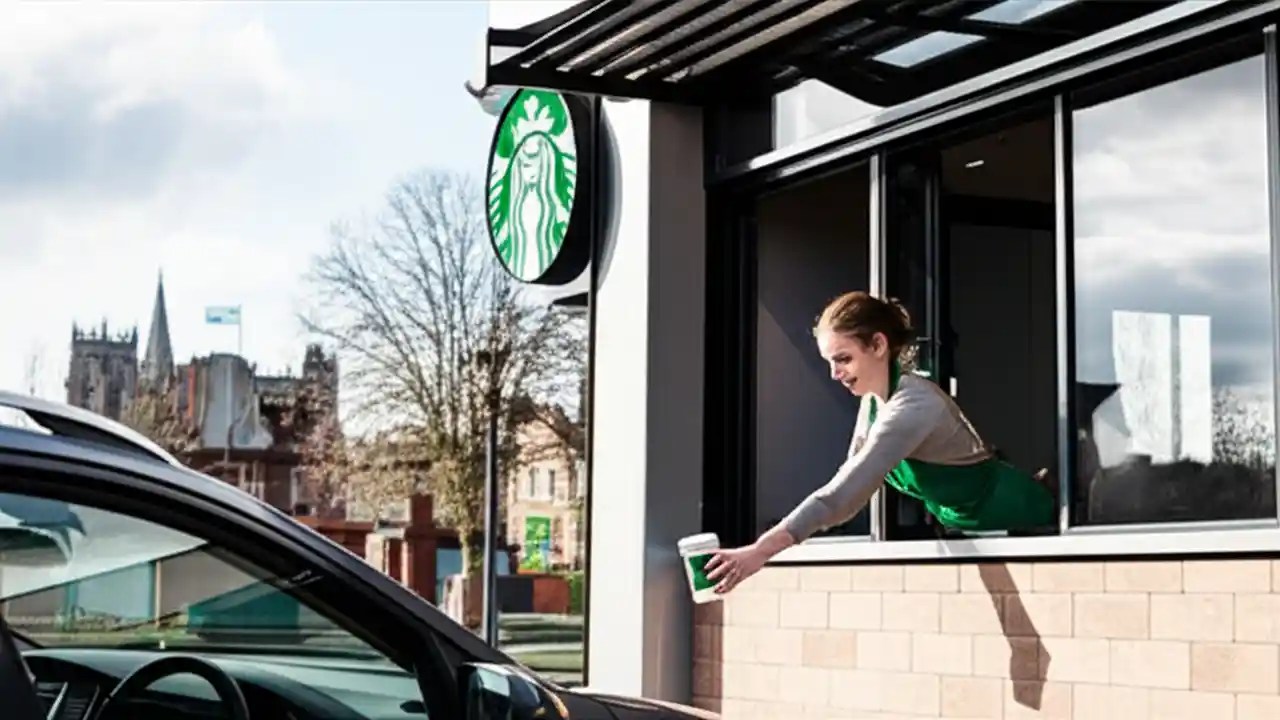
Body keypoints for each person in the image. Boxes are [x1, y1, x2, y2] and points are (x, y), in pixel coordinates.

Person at [705, 291, 1056, 594]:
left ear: (878, 344)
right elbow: (849, 479)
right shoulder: (874, 402)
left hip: (1018, 513)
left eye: (843, 359)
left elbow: (842, 496)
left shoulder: (914, 405)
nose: (834, 373)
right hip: (971, 528)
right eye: (829, 362)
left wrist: (759, 552)